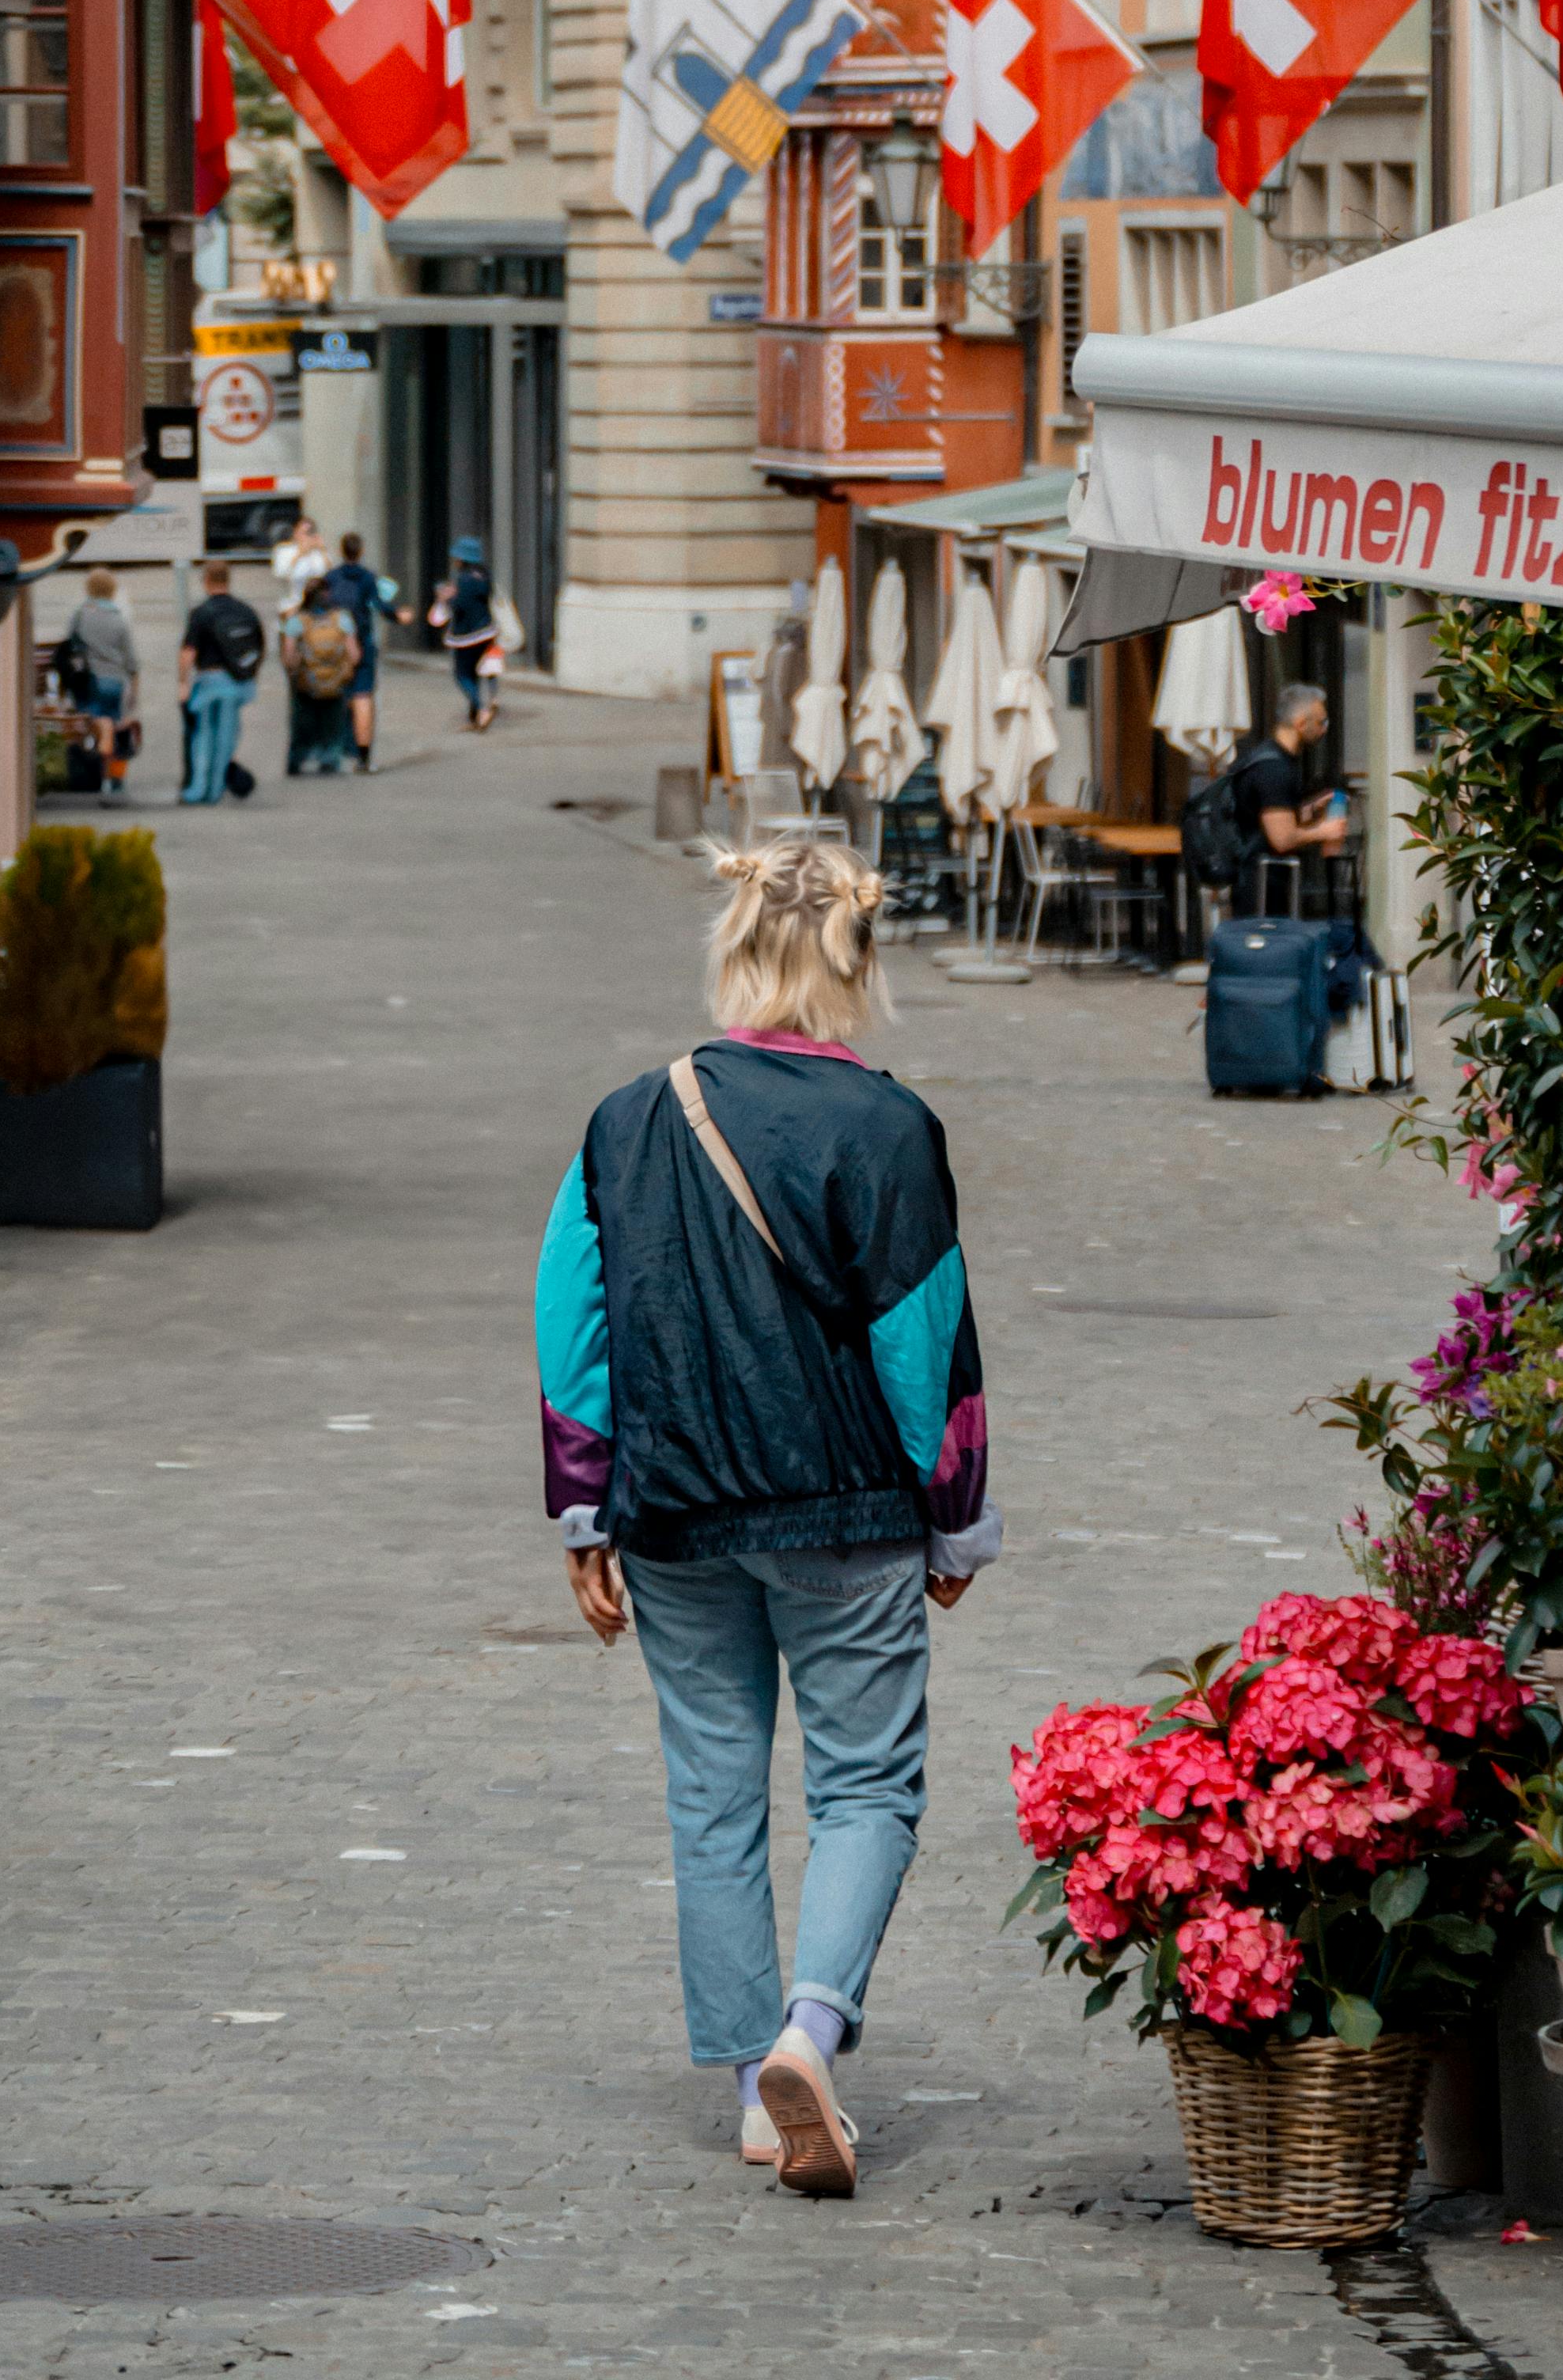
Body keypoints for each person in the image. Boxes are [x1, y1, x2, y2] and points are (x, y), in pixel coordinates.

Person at [534, 839, 1001, 2202]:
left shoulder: (627, 1116)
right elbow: (926, 1341)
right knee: (866, 1780)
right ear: (855, 963)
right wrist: (956, 1521)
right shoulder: (889, 1127)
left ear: (733, 952)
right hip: (845, 1508)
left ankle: (754, 2086)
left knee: (712, 1786)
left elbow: (575, 1319)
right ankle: (813, 2028)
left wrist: (582, 1507)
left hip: (674, 1507)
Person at [1229, 680, 1350, 909]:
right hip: (1261, 889)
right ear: (1301, 723)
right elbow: (1282, 839)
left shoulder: (1273, 758)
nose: (1325, 729)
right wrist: (1323, 831)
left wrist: (1309, 810)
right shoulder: (1274, 769)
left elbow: (1266, 817)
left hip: (1261, 881)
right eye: (1321, 722)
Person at [179, 561, 265, 805]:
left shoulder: (201, 613)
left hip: (209, 683)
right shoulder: (246, 611)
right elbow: (259, 647)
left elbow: (188, 652)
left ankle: (199, 790)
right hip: (238, 685)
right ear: (228, 580)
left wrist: (183, 682)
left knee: (203, 736)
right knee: (227, 738)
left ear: (206, 581)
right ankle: (216, 789)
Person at [321, 531, 393, 774]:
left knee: (336, 697)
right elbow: (378, 605)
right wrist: (397, 615)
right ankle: (363, 758)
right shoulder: (368, 578)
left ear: (342, 551)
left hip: (334, 645)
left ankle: (333, 752)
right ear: (360, 551)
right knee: (363, 697)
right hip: (362, 643)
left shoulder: (330, 577)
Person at [65, 567, 140, 791]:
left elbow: (70, 648)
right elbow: (132, 663)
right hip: (114, 682)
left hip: (88, 682)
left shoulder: (80, 616)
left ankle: (89, 775)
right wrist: (134, 692)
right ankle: (112, 779)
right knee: (115, 726)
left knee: (92, 724)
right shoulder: (120, 621)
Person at [282, 575, 359, 775]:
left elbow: (289, 655)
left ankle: (297, 759)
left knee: (302, 722)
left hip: (306, 682)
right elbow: (354, 655)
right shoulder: (342, 619)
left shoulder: (297, 620)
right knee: (332, 723)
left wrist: (292, 671)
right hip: (334, 682)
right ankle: (330, 760)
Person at [428, 535, 500, 730]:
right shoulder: (485, 574)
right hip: (487, 631)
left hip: (467, 636)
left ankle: (482, 708)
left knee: (462, 676)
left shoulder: (464, 579)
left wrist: (446, 598)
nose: (455, 560)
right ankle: (474, 717)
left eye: (457, 557)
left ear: (463, 559)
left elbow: (460, 606)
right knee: (476, 673)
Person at [272, 511, 328, 620]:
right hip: (292, 604)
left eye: (310, 533)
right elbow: (281, 574)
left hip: (316, 607)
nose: (307, 537)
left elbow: (329, 575)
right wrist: (299, 555)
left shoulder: (319, 553)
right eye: (304, 533)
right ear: (296, 533)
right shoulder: (284, 551)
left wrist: (323, 551)